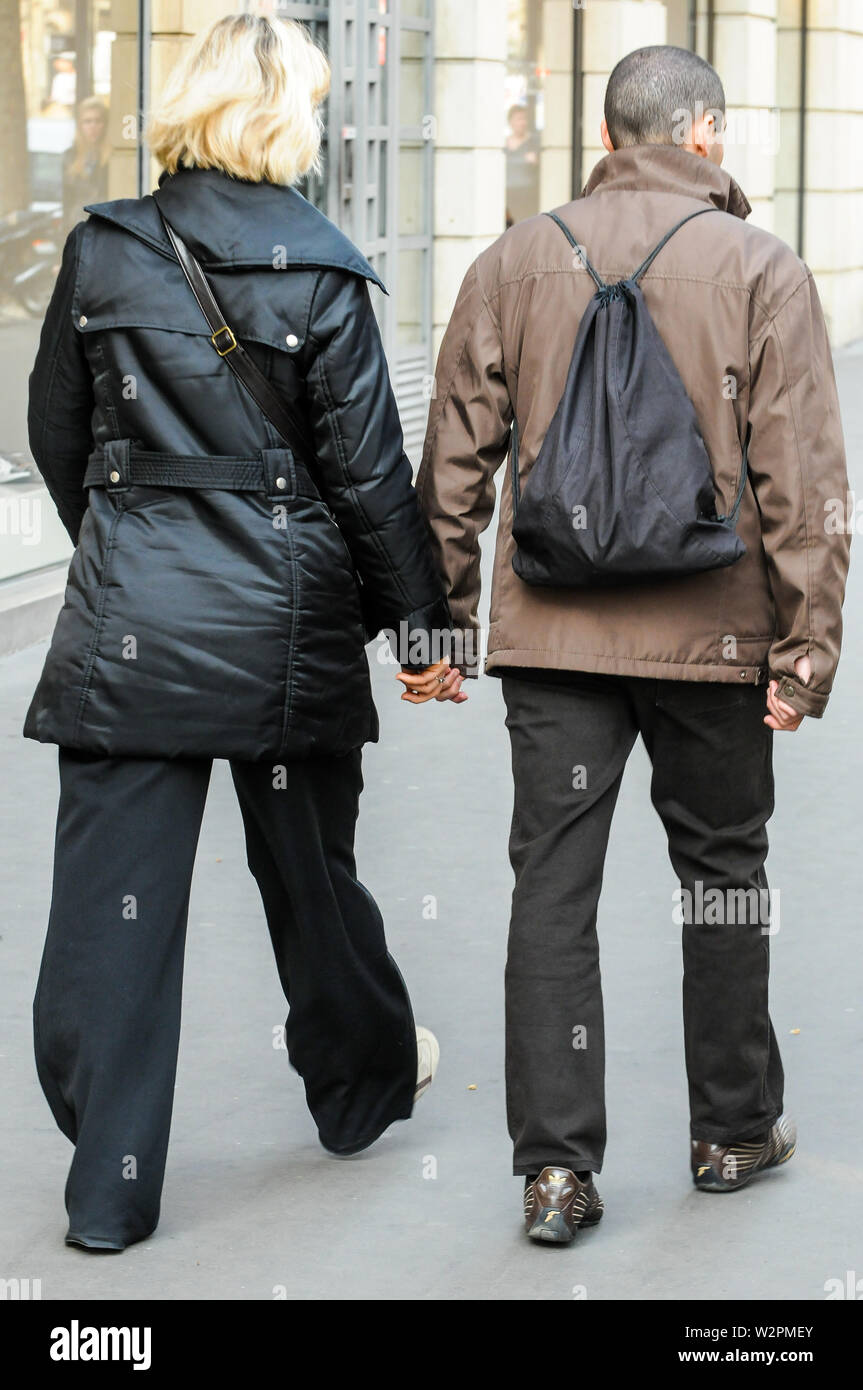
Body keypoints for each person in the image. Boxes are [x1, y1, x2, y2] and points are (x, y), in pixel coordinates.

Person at [26, 13, 462, 1253]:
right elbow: (371, 480)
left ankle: (109, 1194)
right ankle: (364, 1081)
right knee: (314, 885)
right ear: (285, 117)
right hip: (289, 631)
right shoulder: (322, 269)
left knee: (112, 913)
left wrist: (128, 545)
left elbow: (58, 436)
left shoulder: (103, 253)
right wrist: (421, 633)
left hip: (135, 635)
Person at [416, 45, 850, 1243]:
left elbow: (453, 457)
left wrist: (436, 622)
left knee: (550, 888)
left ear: (610, 134)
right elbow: (801, 480)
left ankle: (554, 1171)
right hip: (712, 639)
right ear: (700, 133)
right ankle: (729, 1128)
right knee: (719, 878)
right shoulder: (760, 268)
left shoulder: (515, 256)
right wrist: (802, 655)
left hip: (554, 639)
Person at [62, 97, 110, 238]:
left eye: (97, 121)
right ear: (80, 125)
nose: (93, 126)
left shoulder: (112, 157)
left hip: (105, 227)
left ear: (105, 124)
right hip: (78, 226)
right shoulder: (70, 156)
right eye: (87, 121)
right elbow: (67, 200)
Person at [505, 104, 540, 227]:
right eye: (519, 119)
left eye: (524, 119)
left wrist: (536, 160)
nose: (522, 122)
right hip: (508, 195)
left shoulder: (533, 142)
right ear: (510, 122)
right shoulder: (503, 144)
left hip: (527, 196)